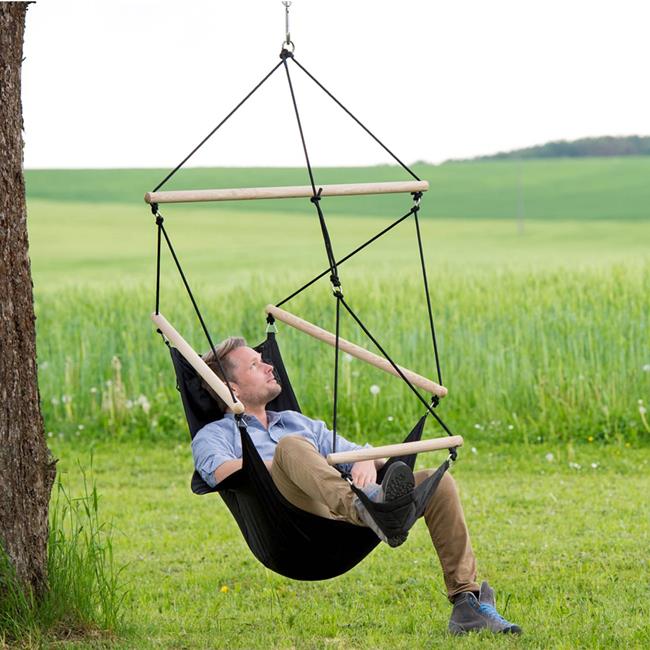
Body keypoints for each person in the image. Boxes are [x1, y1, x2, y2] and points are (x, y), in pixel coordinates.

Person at [192, 337, 521, 636]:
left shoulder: (296, 422)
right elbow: (219, 472)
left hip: (342, 521)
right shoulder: (215, 435)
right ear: (232, 388)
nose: (269, 366)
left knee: (439, 483)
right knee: (290, 448)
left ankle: (466, 603)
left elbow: (360, 454)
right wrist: (281, 462)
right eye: (255, 364)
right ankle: (369, 509)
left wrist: (365, 460)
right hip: (292, 527)